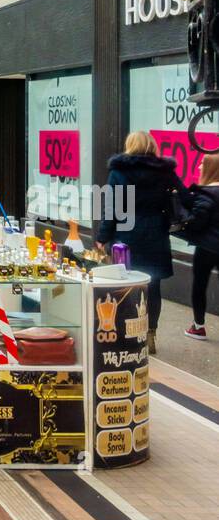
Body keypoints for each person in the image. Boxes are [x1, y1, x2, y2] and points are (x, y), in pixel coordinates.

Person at [98, 130, 188, 355]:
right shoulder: (164, 171)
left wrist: (102, 237)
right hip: (156, 234)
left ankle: (128, 334)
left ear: (129, 145)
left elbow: (112, 209)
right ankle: (150, 334)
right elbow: (185, 197)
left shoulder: (119, 172)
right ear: (151, 146)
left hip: (126, 236)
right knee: (153, 285)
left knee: (126, 285)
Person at [178, 153, 219, 340]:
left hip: (207, 247)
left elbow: (198, 221)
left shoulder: (207, 193)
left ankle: (198, 326)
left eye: (203, 163)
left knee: (200, 286)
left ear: (211, 168)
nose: (199, 167)